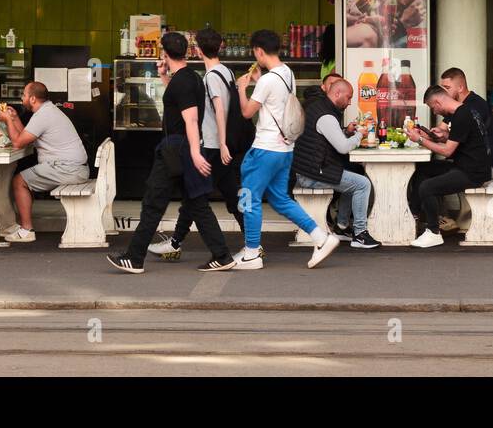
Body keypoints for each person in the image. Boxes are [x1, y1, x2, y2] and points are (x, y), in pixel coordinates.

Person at [107, 31, 236, 273]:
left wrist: (196, 154)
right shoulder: (191, 78)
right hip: (183, 148)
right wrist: (163, 76)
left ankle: (135, 258)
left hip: (176, 150)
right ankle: (222, 255)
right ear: (185, 52)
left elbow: (190, 119)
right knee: (197, 204)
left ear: (165, 54)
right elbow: (177, 102)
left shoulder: (184, 82)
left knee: (153, 203)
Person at [232, 28, 339, 271]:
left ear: (259, 51)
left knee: (249, 199)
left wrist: (242, 88)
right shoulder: (286, 73)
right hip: (285, 149)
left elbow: (247, 112)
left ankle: (251, 253)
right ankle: (321, 238)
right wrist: (259, 83)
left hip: (265, 149)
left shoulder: (268, 80)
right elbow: (276, 99)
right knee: (280, 199)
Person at [148, 27, 245, 261]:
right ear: (220, 46)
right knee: (222, 196)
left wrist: (221, 144)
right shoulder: (226, 72)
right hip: (221, 145)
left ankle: (177, 243)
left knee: (197, 197)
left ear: (198, 51)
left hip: (212, 145)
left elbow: (219, 111)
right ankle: (253, 242)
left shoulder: (210, 77)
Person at [292, 77, 380, 249]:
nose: (349, 103)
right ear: (337, 93)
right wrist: (359, 134)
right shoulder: (326, 116)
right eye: (348, 97)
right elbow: (343, 147)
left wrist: (346, 132)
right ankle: (360, 234)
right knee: (362, 184)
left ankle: (341, 226)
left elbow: (327, 136)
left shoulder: (320, 108)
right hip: (311, 174)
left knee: (353, 178)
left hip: (308, 169)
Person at [0, 81, 90, 242]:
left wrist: (7, 121)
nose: (22, 98)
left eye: (24, 95)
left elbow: (18, 143)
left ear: (32, 99)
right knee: (24, 180)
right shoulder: (47, 111)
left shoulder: (44, 115)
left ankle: (26, 230)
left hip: (67, 169)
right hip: (73, 168)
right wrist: (14, 118)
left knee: (19, 182)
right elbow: (25, 136)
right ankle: (23, 226)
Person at [406, 85, 492, 247]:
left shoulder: (461, 115)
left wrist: (420, 140)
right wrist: (439, 136)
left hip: (473, 172)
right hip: (465, 165)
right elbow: (460, 139)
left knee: (426, 187)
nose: (434, 112)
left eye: (433, 108)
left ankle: (433, 232)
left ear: (438, 102)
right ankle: (415, 215)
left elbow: (447, 151)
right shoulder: (464, 111)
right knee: (422, 170)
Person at [439, 67, 493, 178]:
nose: (443, 93)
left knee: (427, 184)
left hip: (483, 167)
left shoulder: (476, 105)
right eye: (442, 89)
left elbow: (460, 139)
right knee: (422, 173)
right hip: (464, 162)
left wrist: (423, 139)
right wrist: (433, 133)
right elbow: (442, 129)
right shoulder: (455, 106)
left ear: (460, 87)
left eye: (447, 88)